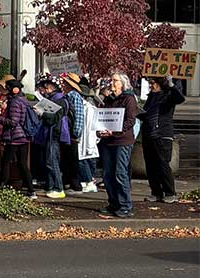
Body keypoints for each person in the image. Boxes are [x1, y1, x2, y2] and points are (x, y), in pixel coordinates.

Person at [95, 73, 139, 217]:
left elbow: (130, 121)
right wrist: (100, 130)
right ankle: (113, 203)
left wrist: (114, 132)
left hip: (122, 141)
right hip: (108, 141)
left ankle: (125, 205)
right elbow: (103, 117)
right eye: (111, 80)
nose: (111, 83)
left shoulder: (129, 99)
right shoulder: (109, 99)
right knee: (108, 174)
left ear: (122, 83)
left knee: (120, 173)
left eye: (115, 80)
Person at [137, 74, 184, 204]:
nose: (151, 86)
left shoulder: (168, 96)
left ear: (160, 84)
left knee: (163, 164)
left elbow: (179, 98)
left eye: (153, 84)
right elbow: (146, 112)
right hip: (149, 134)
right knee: (151, 165)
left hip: (162, 135)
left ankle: (170, 192)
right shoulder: (151, 97)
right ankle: (156, 192)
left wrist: (171, 84)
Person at [33, 76, 71, 199]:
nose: (42, 91)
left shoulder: (60, 100)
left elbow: (54, 118)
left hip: (54, 133)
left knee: (52, 161)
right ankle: (50, 187)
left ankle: (58, 188)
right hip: (49, 133)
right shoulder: (55, 99)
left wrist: (42, 113)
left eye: (43, 88)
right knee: (48, 160)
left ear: (49, 87)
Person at [68, 74, 100, 193]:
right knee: (86, 159)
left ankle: (89, 181)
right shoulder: (88, 107)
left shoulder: (89, 108)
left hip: (86, 137)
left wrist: (78, 134)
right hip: (87, 138)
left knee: (83, 160)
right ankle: (88, 180)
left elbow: (85, 124)